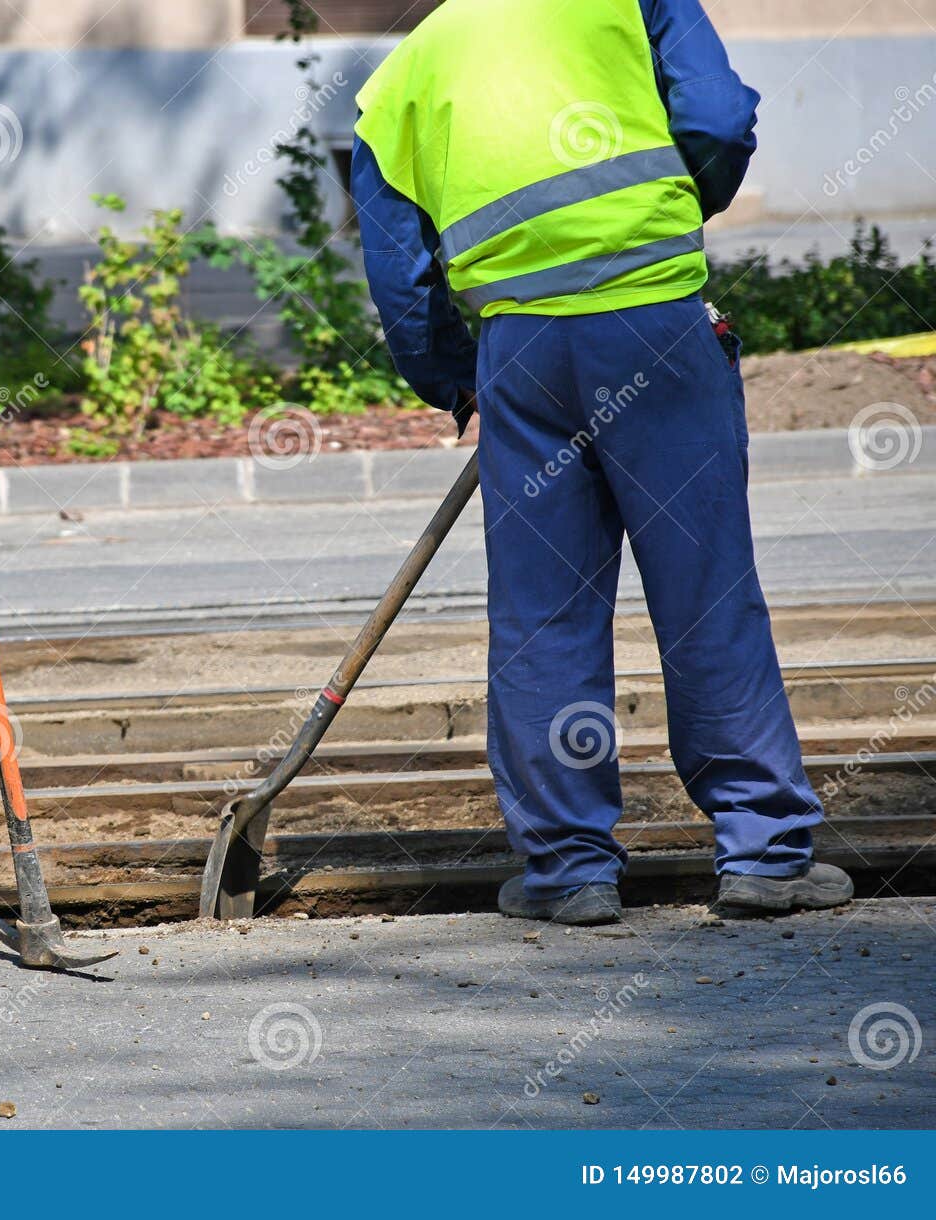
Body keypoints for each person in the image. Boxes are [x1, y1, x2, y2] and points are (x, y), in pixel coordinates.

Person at [351, 0, 852, 924]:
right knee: (705, 589)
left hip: (522, 357)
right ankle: (761, 854)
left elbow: (398, 272)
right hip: (654, 325)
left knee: (544, 616)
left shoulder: (401, 78)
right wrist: (669, 205)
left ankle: (569, 870)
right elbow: (716, 119)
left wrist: (458, 380)